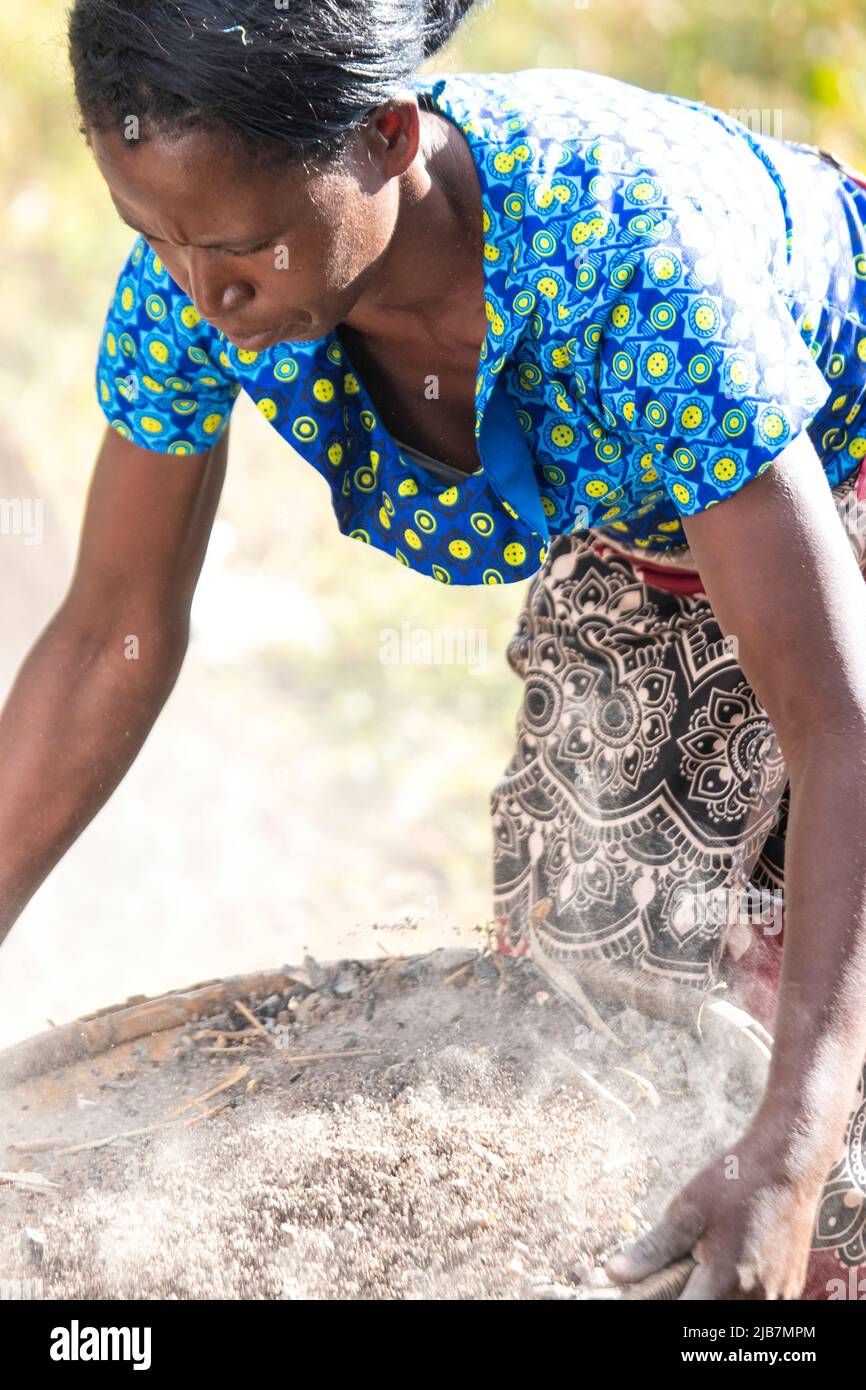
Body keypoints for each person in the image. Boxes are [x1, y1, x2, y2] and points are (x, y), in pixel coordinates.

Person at [0, 0, 864, 1299]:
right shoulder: (200, 270)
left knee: (801, 1093)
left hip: (822, 490)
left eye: (240, 248)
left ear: (387, 134)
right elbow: (109, 632)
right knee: (584, 1033)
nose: (199, 293)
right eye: (152, 236)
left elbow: (839, 721)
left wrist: (793, 1149)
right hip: (645, 523)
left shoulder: (623, 256)